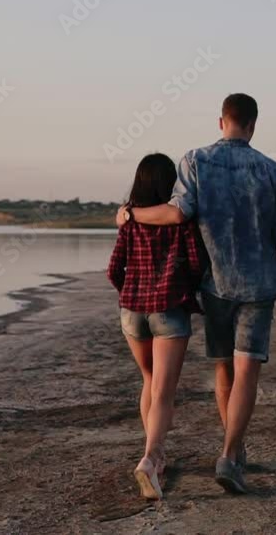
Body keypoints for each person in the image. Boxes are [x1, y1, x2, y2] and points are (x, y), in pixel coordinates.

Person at [117, 93, 276, 494]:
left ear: (222, 122)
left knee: (223, 369)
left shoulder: (195, 161)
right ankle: (231, 454)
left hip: (215, 285)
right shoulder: (272, 170)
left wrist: (131, 215)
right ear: (252, 124)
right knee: (247, 370)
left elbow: (178, 213)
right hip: (260, 285)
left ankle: (230, 447)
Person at [108, 153, 204, 500]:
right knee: (164, 389)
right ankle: (149, 458)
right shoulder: (180, 221)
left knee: (149, 380)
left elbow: (113, 268)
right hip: (168, 310)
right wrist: (184, 289)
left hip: (132, 311)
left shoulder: (129, 221)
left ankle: (157, 457)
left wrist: (130, 293)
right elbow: (195, 265)